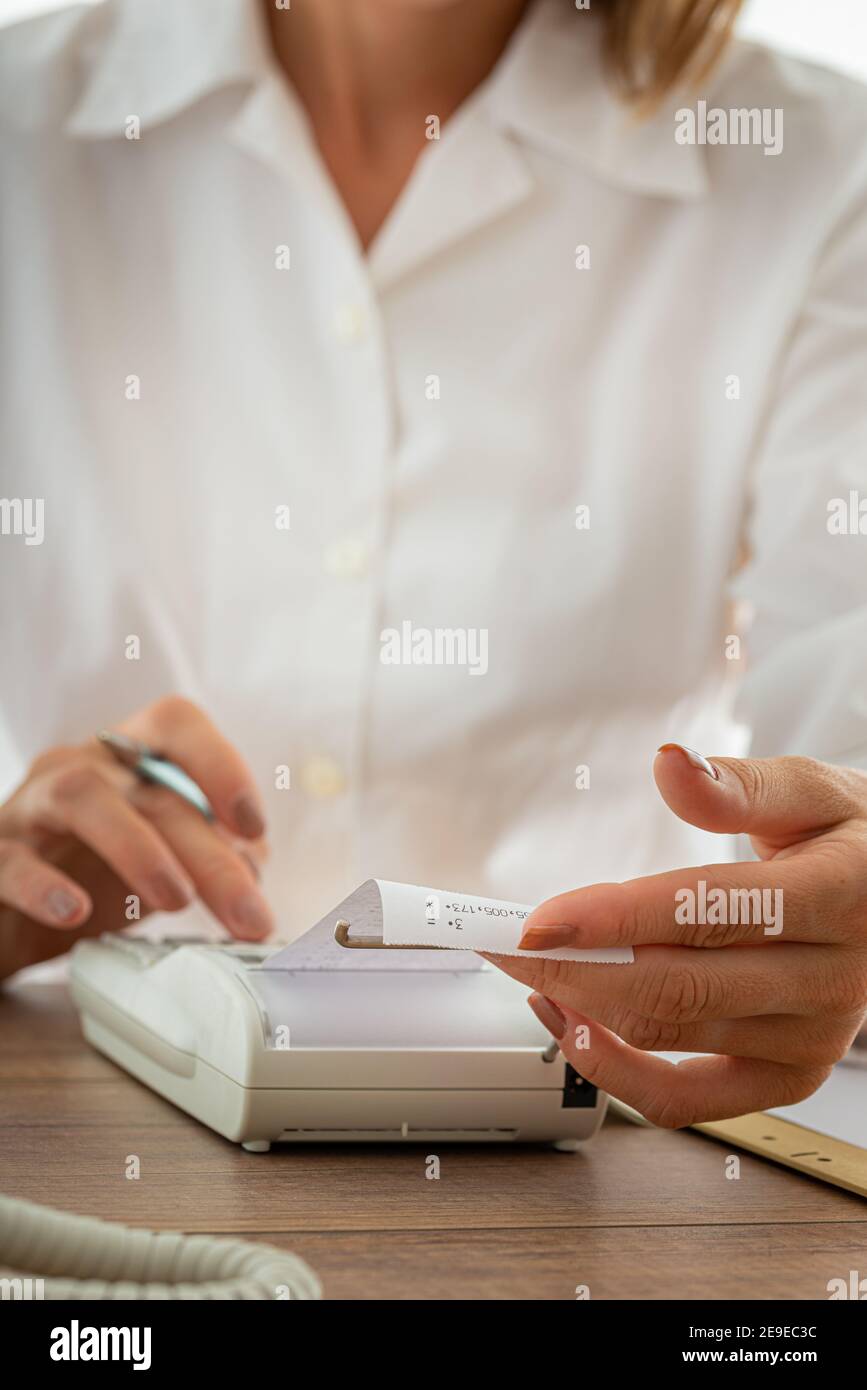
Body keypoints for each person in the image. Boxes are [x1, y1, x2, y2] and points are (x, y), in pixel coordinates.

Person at [1, 0, 866, 1128]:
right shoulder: (24, 129)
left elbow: (847, 742)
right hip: (94, 1110)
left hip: (606, 1142)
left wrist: (838, 909)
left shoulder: (820, 171)